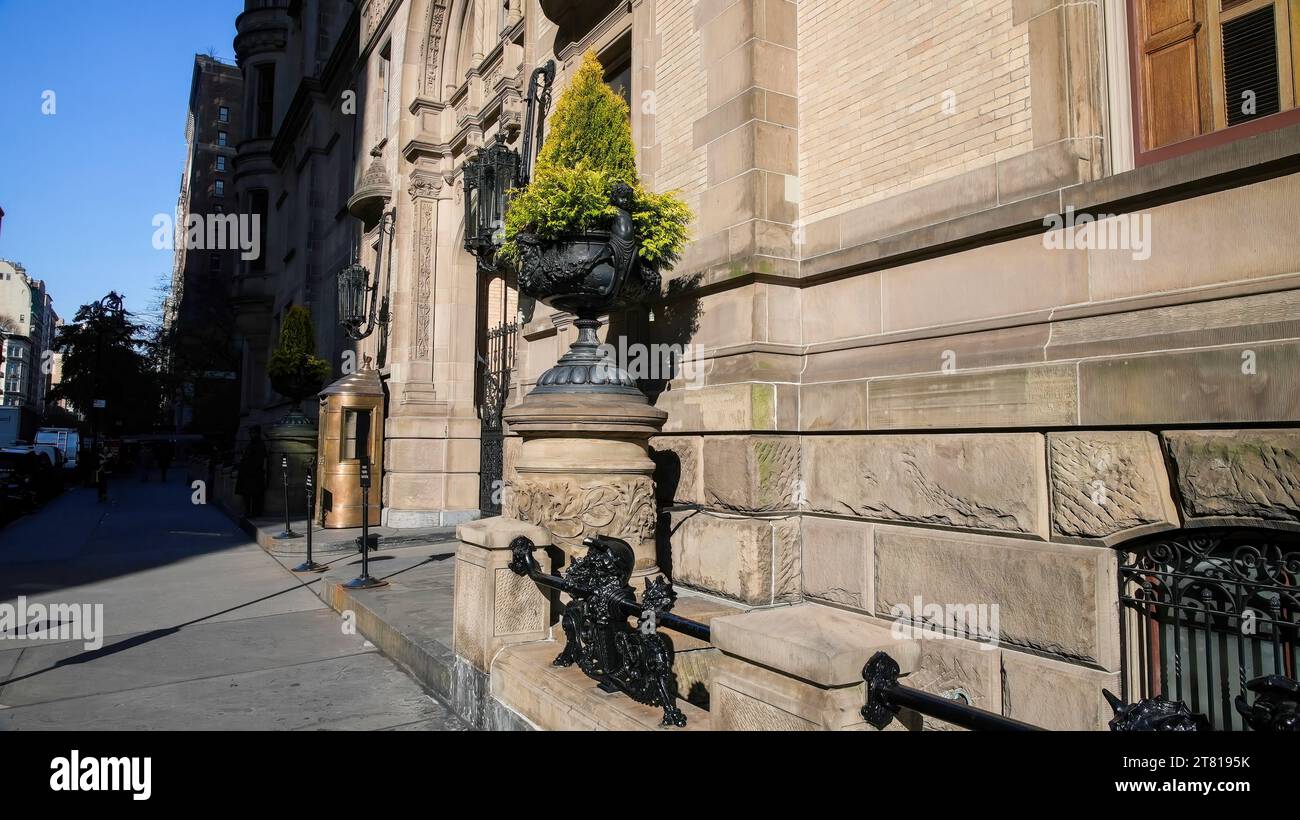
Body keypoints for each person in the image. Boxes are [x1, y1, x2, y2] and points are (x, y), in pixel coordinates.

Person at [235, 427, 267, 518]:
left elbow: (258, 460)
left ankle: (254, 513)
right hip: (248, 474)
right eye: (251, 433)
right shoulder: (253, 443)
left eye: (253, 433)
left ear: (257, 433)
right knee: (248, 495)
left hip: (254, 474)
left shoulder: (259, 444)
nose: (251, 434)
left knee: (255, 496)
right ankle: (249, 512)